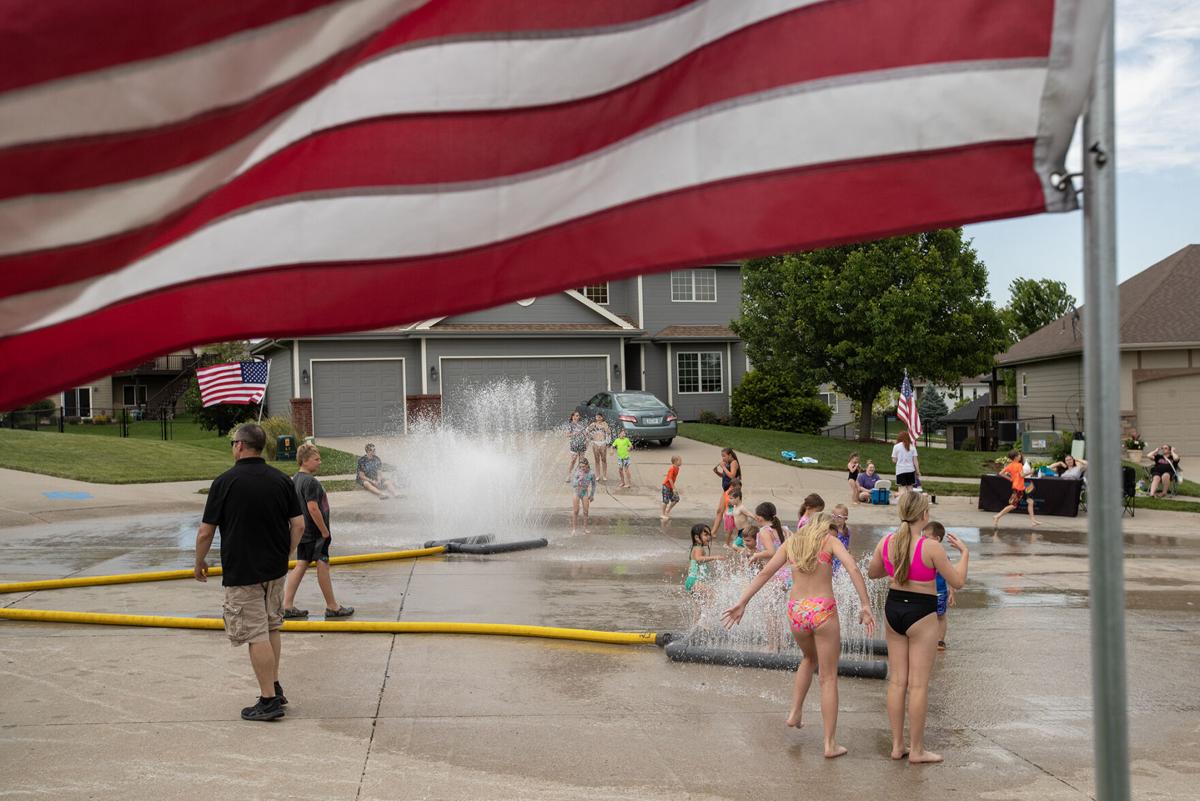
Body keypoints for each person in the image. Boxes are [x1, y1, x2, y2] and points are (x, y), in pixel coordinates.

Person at [723, 512, 876, 758]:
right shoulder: (829, 541)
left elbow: (765, 574)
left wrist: (743, 601)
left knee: (808, 659)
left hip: (797, 612)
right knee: (828, 677)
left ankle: (795, 712)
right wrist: (865, 604)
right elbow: (853, 568)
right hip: (822, 610)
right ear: (826, 528)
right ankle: (829, 744)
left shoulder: (791, 543)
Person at [194, 423, 303, 722]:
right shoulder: (282, 480)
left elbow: (206, 532)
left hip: (243, 571)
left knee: (256, 634)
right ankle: (275, 685)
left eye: (233, 442)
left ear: (241, 446)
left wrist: (199, 561)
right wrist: (287, 552)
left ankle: (268, 700)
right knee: (271, 627)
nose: (232, 446)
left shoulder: (224, 482)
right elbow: (299, 525)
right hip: (275, 570)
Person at [868, 493, 968, 763]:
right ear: (924, 516)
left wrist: (897, 565)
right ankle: (918, 750)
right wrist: (965, 554)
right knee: (919, 685)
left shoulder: (887, 541)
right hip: (921, 612)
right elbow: (957, 581)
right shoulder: (930, 547)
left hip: (893, 608)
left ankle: (897, 746)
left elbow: (873, 572)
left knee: (898, 681)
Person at [282, 444, 354, 620]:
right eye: (316, 459)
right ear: (305, 461)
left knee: (301, 565)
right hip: (316, 533)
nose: (320, 462)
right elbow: (313, 508)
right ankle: (332, 606)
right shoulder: (311, 482)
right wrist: (324, 531)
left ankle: (286, 605)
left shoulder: (295, 479)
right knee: (323, 564)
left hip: (304, 532)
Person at [749, 501, 790, 652]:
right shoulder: (785, 530)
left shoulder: (764, 531)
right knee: (777, 610)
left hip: (777, 574)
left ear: (759, 518)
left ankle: (772, 646)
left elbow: (771, 552)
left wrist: (756, 555)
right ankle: (781, 643)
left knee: (769, 610)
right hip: (788, 574)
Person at [992, 449, 1039, 527]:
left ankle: (1033, 521)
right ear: (1015, 457)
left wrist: (1010, 479)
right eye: (1019, 455)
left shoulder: (1010, 465)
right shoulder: (1019, 465)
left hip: (1020, 487)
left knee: (1030, 502)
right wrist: (1031, 472)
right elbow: (1022, 475)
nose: (1020, 456)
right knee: (1013, 506)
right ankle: (997, 516)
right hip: (1018, 488)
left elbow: (1001, 473)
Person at [571, 456, 597, 533]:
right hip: (577, 492)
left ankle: (585, 528)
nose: (582, 468)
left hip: (585, 493)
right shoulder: (578, 472)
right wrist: (579, 479)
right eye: (580, 467)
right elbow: (573, 484)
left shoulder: (591, 473)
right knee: (576, 511)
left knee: (586, 511)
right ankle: (574, 529)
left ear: (587, 465)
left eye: (583, 466)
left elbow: (594, 484)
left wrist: (592, 495)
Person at [891, 431, 920, 497]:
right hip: (910, 470)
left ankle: (903, 504)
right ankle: (911, 503)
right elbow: (915, 461)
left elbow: (894, 460)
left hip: (901, 470)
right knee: (910, 489)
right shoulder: (912, 446)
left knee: (902, 489)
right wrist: (918, 471)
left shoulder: (896, 446)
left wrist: (900, 460)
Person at [587, 412, 612, 483]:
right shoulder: (593, 424)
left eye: (599, 417)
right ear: (595, 417)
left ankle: (604, 475)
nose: (598, 418)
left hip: (603, 443)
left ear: (602, 418)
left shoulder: (605, 424)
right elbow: (587, 431)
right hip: (595, 443)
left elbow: (609, 432)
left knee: (604, 459)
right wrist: (590, 438)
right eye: (597, 417)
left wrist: (606, 427)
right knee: (597, 460)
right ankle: (598, 475)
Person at [565, 411, 588, 482]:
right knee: (573, 461)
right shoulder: (570, 425)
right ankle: (568, 475)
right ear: (573, 417)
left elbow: (585, 433)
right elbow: (567, 435)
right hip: (574, 445)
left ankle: (580, 475)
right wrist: (574, 433)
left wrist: (587, 439)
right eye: (576, 415)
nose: (577, 417)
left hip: (582, 444)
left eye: (578, 416)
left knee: (581, 461)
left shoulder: (582, 424)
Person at [829, 504, 852, 572]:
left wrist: (849, 555)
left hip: (842, 557)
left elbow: (847, 546)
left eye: (839, 517)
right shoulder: (831, 531)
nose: (836, 519)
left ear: (845, 518)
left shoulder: (848, 531)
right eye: (834, 516)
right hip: (834, 557)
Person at [661, 455, 682, 521]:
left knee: (676, 499)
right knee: (665, 501)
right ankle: (662, 514)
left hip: (670, 486)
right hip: (666, 486)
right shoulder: (672, 468)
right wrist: (673, 488)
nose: (681, 462)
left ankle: (668, 510)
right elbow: (670, 479)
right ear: (675, 462)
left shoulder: (677, 468)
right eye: (680, 460)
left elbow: (670, 477)